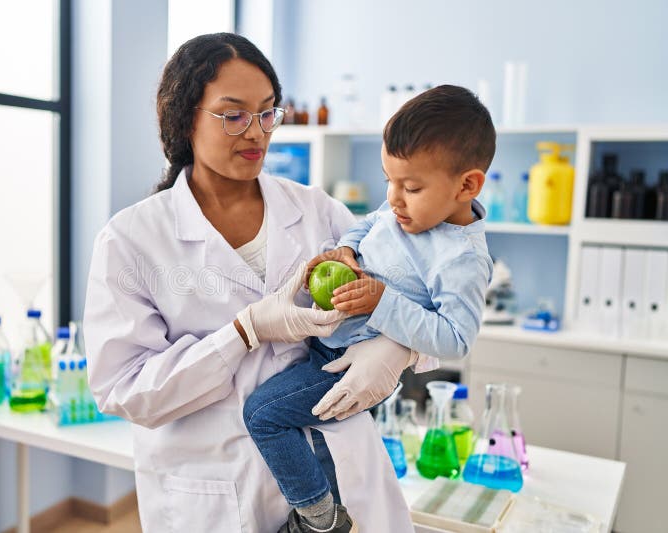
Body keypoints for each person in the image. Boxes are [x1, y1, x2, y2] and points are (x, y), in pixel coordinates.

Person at [83, 33, 415, 533]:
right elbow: (126, 391)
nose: (257, 132)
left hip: (345, 470)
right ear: (185, 118)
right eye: (233, 115)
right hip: (220, 492)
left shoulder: (316, 210)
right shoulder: (131, 239)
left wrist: (396, 349)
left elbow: (419, 291)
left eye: (267, 112)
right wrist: (244, 333)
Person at [243, 85, 495, 531]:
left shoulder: (463, 259)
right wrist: (346, 249)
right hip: (327, 344)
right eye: (388, 181)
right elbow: (370, 224)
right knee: (321, 443)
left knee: (263, 415)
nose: (394, 198)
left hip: (348, 366)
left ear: (467, 185)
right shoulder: (404, 210)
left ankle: (318, 517)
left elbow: (456, 338)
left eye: (411, 187)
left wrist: (382, 302)